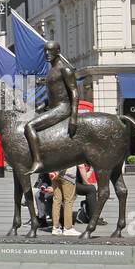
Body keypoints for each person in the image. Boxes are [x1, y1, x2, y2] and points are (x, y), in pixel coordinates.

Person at [25, 41, 78, 174]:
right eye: (45, 51)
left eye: (51, 50)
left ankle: (38, 161)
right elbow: (56, 93)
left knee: (30, 126)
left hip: (62, 108)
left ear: (58, 51)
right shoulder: (51, 71)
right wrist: (43, 105)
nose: (47, 54)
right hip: (54, 107)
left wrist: (74, 117)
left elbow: (75, 93)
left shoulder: (64, 70)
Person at [49, 165, 80, 236]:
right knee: (68, 201)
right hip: (67, 175)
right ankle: (68, 228)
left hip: (53, 173)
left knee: (56, 200)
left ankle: (55, 228)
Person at [74, 162, 106, 227]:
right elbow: (85, 180)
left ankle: (91, 216)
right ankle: (93, 218)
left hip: (74, 183)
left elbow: (85, 178)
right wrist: (88, 183)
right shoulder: (79, 160)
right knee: (91, 189)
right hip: (71, 184)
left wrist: (91, 169)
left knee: (91, 189)